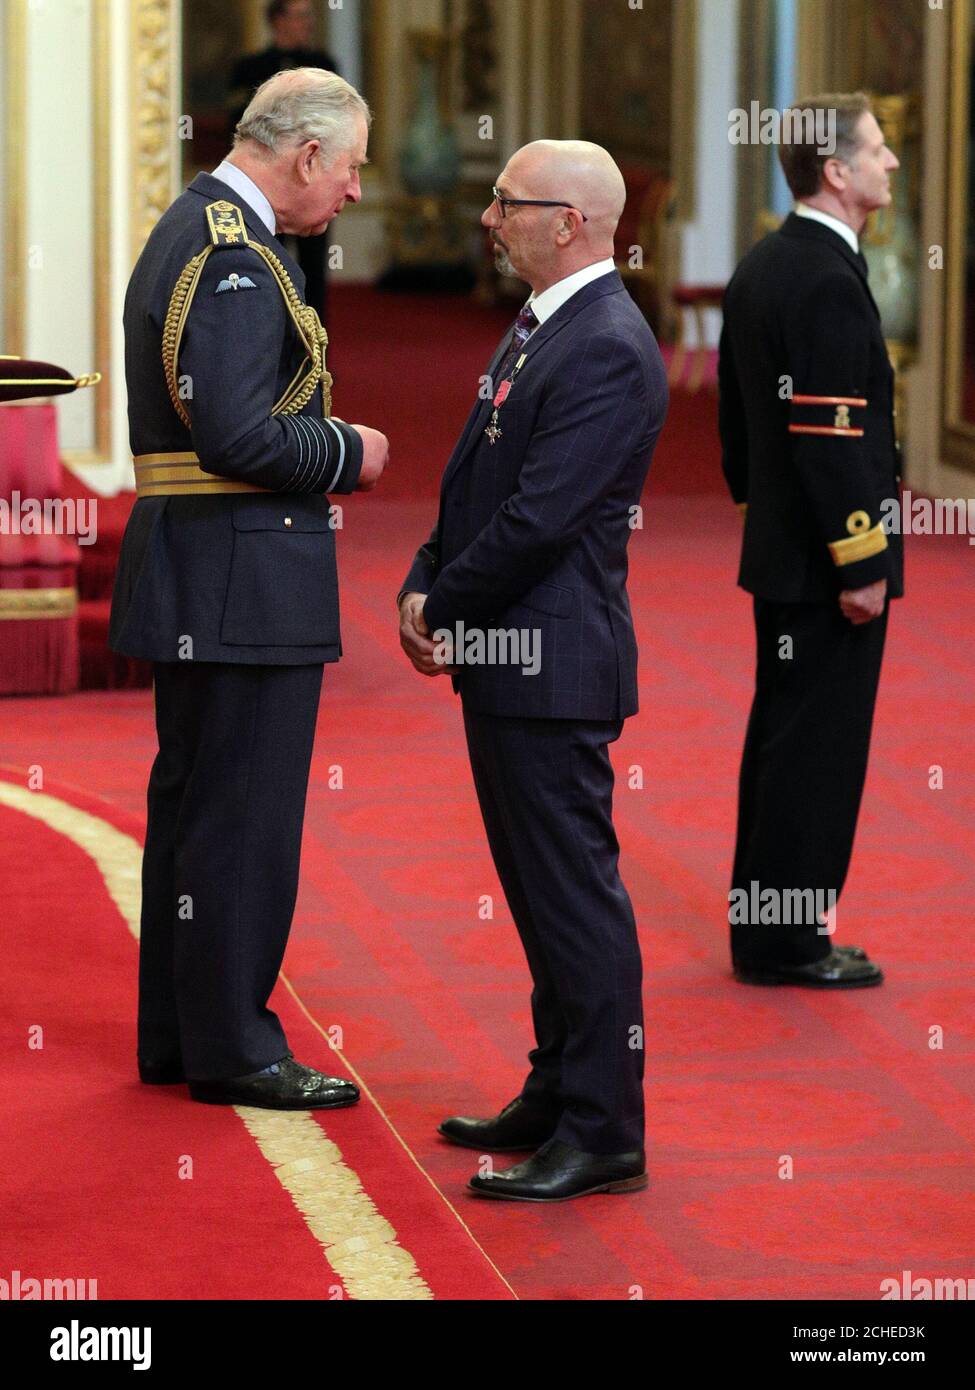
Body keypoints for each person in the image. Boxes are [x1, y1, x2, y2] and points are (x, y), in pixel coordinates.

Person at [110, 68, 389, 1108]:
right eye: (351, 168)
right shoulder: (235, 251)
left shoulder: (206, 224)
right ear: (308, 155)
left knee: (198, 810)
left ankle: (183, 1033)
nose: (354, 192)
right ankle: (233, 1046)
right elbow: (232, 431)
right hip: (240, 569)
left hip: (211, 565)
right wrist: (344, 449)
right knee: (241, 820)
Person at [399, 140, 668, 1202]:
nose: (489, 218)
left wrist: (439, 601)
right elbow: (479, 478)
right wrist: (428, 569)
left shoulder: (605, 343)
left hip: (553, 661)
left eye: (508, 203)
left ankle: (605, 1127)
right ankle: (557, 1087)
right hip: (510, 654)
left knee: (574, 900)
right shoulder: (545, 320)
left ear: (569, 222)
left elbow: (542, 517)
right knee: (537, 890)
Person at [718, 92, 903, 988]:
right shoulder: (827, 277)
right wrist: (861, 562)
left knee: (782, 743)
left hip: (785, 552)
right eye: (878, 149)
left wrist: (766, 516)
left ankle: (766, 927)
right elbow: (833, 442)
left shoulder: (765, 262)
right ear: (835, 170)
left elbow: (737, 429)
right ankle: (787, 941)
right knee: (816, 753)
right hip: (830, 565)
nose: (891, 163)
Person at [228, 0, 340, 318]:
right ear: (278, 20)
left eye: (309, 16)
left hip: (315, 185)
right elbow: (239, 129)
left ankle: (315, 355)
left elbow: (336, 126)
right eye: (301, 16)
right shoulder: (249, 69)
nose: (308, 23)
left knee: (314, 272)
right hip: (265, 189)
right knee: (264, 267)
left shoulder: (324, 66)